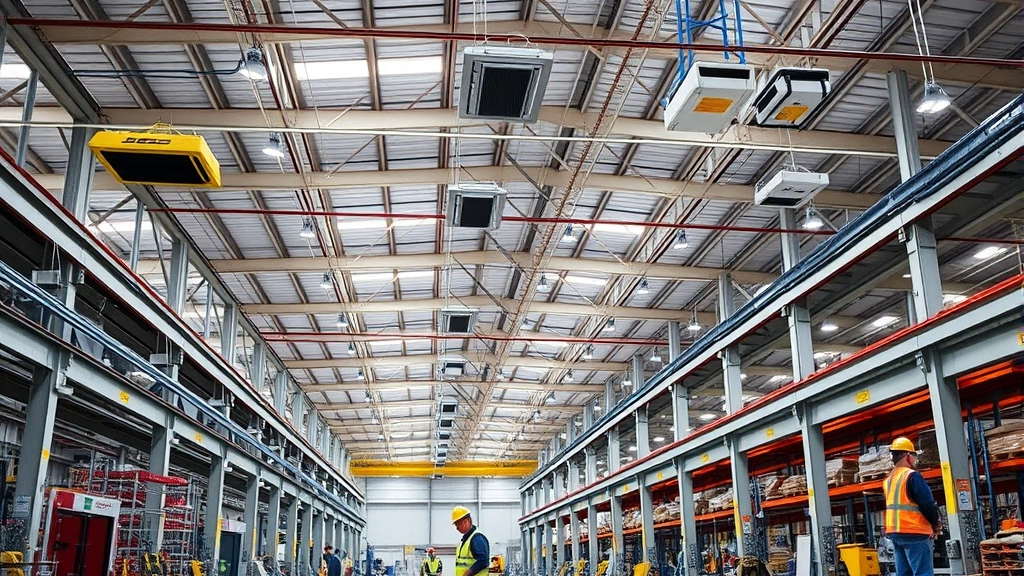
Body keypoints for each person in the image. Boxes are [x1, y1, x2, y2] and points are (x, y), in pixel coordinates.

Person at [883, 437, 942, 576]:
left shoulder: (889, 479)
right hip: (915, 531)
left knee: (904, 573)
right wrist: (935, 523)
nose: (915, 459)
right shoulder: (912, 476)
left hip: (895, 532)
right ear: (908, 455)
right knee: (923, 573)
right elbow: (927, 504)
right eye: (914, 455)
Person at [452, 506, 489, 576]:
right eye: (456, 525)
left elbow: (483, 561)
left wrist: (467, 574)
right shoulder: (465, 540)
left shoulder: (477, 538)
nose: (457, 528)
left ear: (467, 520)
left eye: (459, 524)